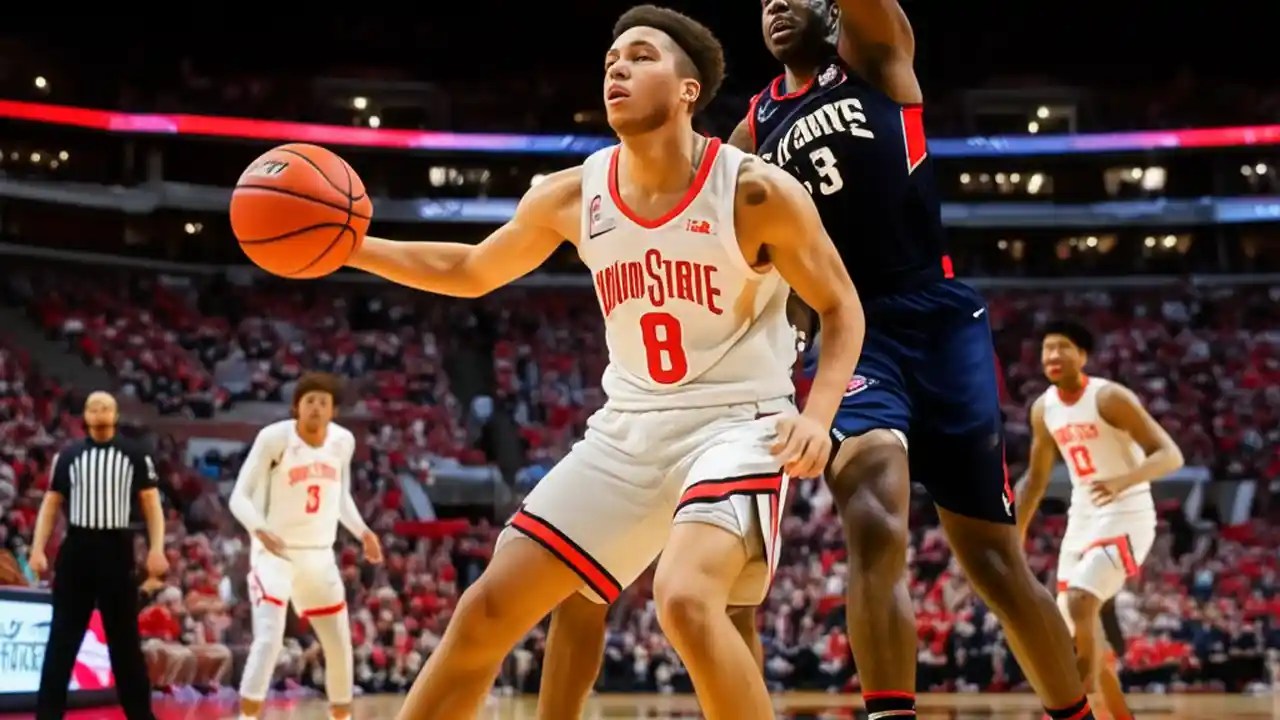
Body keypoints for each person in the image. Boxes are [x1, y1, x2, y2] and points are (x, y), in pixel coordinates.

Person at [539, 2, 1096, 719]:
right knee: (871, 506)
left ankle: (1076, 713)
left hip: (940, 318)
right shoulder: (753, 128)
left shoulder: (875, 54)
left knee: (995, 563)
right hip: (848, 330)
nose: (774, 5)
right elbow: (687, 180)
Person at [345, 6, 863, 718]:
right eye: (612, 58)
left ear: (689, 90)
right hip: (627, 431)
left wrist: (818, 415)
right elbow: (470, 268)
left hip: (738, 424)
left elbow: (841, 307)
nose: (618, 67)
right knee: (486, 609)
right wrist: (351, 248)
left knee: (683, 599)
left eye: (641, 56)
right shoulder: (571, 194)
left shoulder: (753, 192)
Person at [1017, 321, 1184, 720]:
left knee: (1081, 599)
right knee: (1072, 632)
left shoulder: (1109, 397)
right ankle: (1117, 713)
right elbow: (1036, 478)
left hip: (1128, 513)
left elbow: (1170, 454)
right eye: (1047, 349)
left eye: (1062, 347)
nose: (1053, 356)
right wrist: (1015, 533)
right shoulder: (1044, 408)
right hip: (1083, 518)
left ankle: (1078, 700)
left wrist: (1123, 480)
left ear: (1083, 356)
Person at [228, 372, 384, 720]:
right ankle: (246, 717)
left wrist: (363, 532)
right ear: (296, 407)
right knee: (269, 640)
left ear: (333, 411)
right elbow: (238, 497)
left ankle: (341, 717)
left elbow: (340, 497)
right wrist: (259, 529)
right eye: (309, 401)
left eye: (323, 402)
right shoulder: (274, 438)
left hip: (318, 554)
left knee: (339, 643)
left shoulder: (342, 442)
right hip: (275, 553)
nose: (316, 407)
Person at [29, 391, 168, 720]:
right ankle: (47, 716)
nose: (99, 411)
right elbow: (50, 505)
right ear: (85, 416)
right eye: (93, 406)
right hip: (77, 548)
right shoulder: (68, 455)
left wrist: (157, 547)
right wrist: (37, 548)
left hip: (117, 549)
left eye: (106, 406)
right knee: (62, 639)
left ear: (116, 413)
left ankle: (141, 716)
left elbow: (151, 504)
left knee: (124, 644)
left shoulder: (135, 453)